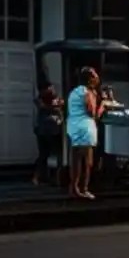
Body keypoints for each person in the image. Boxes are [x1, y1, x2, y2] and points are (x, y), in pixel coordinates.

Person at [66, 67, 103, 200]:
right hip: (85, 128)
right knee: (87, 161)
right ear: (90, 79)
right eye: (95, 76)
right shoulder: (88, 93)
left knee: (76, 160)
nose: (97, 79)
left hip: (73, 126)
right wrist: (103, 105)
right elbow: (93, 113)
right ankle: (84, 188)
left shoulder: (74, 92)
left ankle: (74, 187)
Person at [32, 81, 63, 186]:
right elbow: (42, 106)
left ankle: (55, 177)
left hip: (54, 130)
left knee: (56, 154)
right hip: (44, 131)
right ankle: (38, 177)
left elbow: (60, 110)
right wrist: (55, 106)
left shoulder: (56, 99)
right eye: (49, 88)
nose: (52, 90)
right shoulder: (41, 100)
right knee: (43, 154)